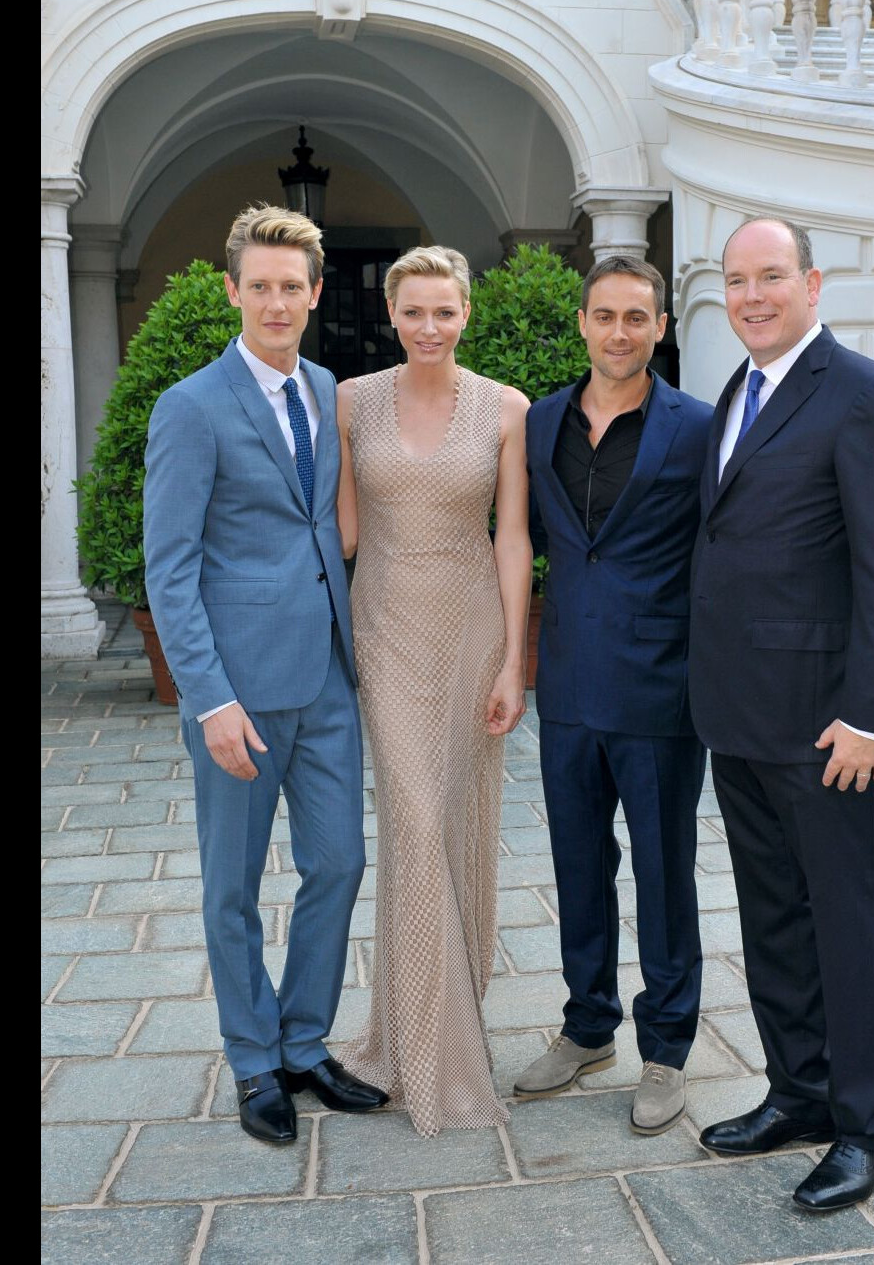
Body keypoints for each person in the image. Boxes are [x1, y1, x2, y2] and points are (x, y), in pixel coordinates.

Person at [689, 217, 874, 1211]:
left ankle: (872, 1127)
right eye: (738, 280)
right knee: (772, 918)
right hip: (741, 719)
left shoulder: (865, 394)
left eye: (771, 277)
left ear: (813, 284)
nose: (752, 296)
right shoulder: (735, 393)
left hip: (835, 729)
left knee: (848, 922)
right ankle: (799, 1093)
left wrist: (872, 715)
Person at [143, 204, 387, 1146]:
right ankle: (253, 1063)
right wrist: (207, 697)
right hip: (237, 691)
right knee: (232, 886)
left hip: (328, 674)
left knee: (338, 862)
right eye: (261, 286)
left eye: (294, 287)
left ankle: (304, 1041)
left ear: (316, 294)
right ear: (233, 290)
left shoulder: (327, 386)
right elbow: (170, 568)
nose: (277, 302)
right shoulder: (191, 406)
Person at [514, 256, 714, 1137]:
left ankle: (665, 1047)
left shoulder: (699, 429)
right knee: (577, 866)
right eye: (606, 315)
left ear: (660, 327)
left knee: (665, 873)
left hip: (662, 690)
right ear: (584, 322)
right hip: (566, 684)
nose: (620, 332)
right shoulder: (538, 422)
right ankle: (587, 1025)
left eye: (638, 317)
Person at [334, 245, 531, 1137]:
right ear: (390, 312)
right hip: (384, 628)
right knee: (413, 822)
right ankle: (422, 1047)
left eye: (444, 310)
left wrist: (513, 660)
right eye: (413, 310)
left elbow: (514, 540)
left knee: (450, 826)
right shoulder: (350, 401)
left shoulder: (506, 409)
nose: (428, 326)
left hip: (470, 630)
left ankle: (430, 1026)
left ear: (466, 314)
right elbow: (337, 529)